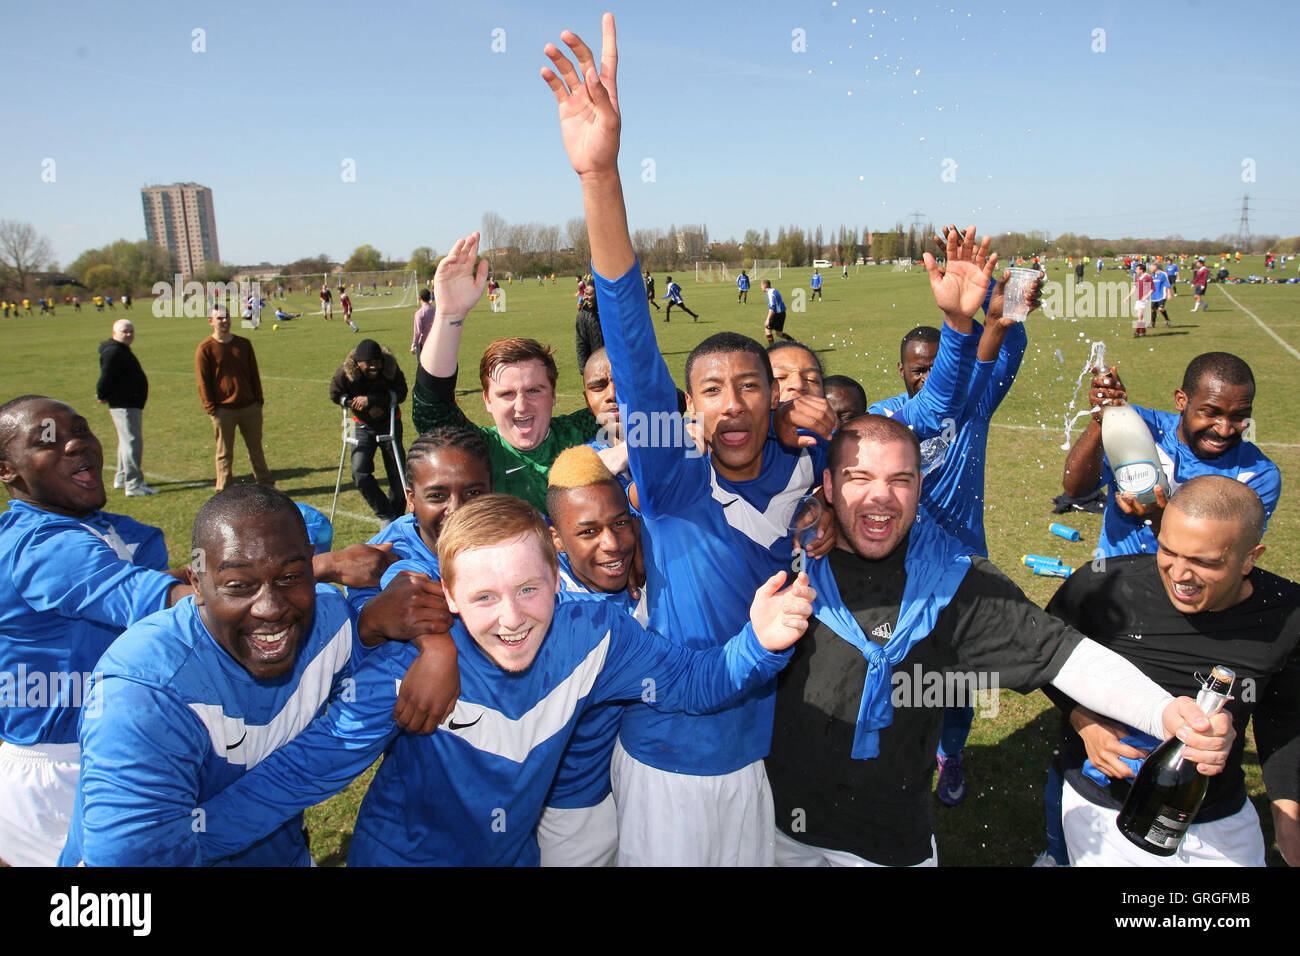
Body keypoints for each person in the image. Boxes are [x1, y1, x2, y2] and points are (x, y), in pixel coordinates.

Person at [539, 16, 996, 864]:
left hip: (767, 762)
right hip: (668, 763)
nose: (735, 403)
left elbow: (920, 423)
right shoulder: (669, 475)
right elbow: (632, 335)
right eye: (711, 390)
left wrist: (959, 330)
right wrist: (601, 174)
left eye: (753, 384)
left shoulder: (809, 467)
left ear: (778, 395)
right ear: (688, 408)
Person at [190, 493, 814, 866]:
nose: (512, 619)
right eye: (484, 596)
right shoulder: (404, 676)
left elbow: (694, 682)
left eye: (528, 589)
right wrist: (166, 847)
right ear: (450, 598)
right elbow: (295, 777)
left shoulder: (597, 634)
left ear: (557, 576)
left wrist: (757, 643)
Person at [765, 415, 1237, 867]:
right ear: (827, 486)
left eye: (901, 480)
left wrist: (1166, 713)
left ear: (920, 488)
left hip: (885, 842)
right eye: (859, 477)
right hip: (775, 825)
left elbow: (1063, 655)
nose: (881, 496)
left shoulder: (955, 584)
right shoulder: (782, 557)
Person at [58, 484, 457, 866]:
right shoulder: (143, 697)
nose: (270, 607)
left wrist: (431, 644)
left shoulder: (328, 624)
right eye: (238, 585)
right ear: (196, 583)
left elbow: (398, 582)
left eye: (289, 577)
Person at [1044, 477, 1299, 867]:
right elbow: (1045, 659)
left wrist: (1287, 814)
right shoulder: (1103, 585)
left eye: (1204, 561)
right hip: (1108, 805)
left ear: (1251, 557)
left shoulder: (1288, 614)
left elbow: (1284, 716)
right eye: (1168, 550)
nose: (1179, 574)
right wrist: (1084, 721)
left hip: (1218, 813)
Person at [0, 396, 188, 866]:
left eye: (81, 430)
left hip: (123, 744)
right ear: (8, 471)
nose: (75, 444)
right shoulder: (39, 545)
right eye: (48, 440)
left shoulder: (112, 530)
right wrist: (317, 569)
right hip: (61, 768)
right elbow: (157, 603)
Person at [871, 282, 1031, 804]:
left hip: (962, 568)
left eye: (942, 363)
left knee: (960, 675)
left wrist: (999, 306)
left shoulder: (974, 405)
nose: (933, 375)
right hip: (897, 572)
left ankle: (952, 752)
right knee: (896, 668)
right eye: (919, 368)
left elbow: (1009, 346)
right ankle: (893, 751)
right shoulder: (885, 419)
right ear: (902, 371)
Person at [411, 232, 599, 514]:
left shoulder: (581, 432)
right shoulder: (480, 452)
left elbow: (650, 407)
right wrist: (449, 315)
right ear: (487, 401)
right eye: (506, 394)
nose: (521, 405)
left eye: (534, 390)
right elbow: (431, 410)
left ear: (554, 395)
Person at [1062, 351, 1280, 559]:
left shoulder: (1258, 475)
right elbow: (1076, 489)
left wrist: (1158, 520)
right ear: (1181, 400)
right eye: (1210, 413)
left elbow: (1224, 558)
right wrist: (1101, 420)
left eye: (1239, 416)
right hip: (1119, 578)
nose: (1224, 429)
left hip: (1189, 593)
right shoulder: (1136, 427)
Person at [538, 446, 645, 866]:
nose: (612, 543)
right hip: (574, 804)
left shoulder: (641, 571)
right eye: (588, 532)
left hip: (641, 785)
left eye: (620, 523)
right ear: (557, 538)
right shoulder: (548, 612)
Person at [328, 338, 409, 525]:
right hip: (360, 424)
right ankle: (386, 513)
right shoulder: (345, 373)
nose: (375, 367)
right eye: (370, 364)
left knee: (397, 472)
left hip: (389, 422)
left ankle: (396, 515)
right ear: (358, 364)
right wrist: (356, 404)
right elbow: (335, 394)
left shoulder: (390, 367)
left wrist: (373, 400)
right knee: (359, 472)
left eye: (377, 362)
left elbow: (402, 392)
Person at [195, 306, 274, 492]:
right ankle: (223, 490)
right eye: (220, 318)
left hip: (249, 407)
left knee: (256, 450)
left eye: (227, 317)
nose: (224, 321)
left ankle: (266, 485)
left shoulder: (244, 344)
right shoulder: (205, 348)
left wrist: (258, 401)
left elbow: (254, 374)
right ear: (211, 321)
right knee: (224, 453)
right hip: (223, 410)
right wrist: (211, 409)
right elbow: (203, 382)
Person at [96, 319, 157, 497]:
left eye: (131, 331)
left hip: (128, 403)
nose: (129, 334)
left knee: (125, 442)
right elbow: (106, 376)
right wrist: (101, 394)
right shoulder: (113, 352)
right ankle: (133, 484)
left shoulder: (119, 350)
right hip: (125, 404)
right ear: (115, 332)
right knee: (132, 442)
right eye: (125, 331)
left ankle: (122, 477)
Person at [574, 277, 603, 373]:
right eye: (585, 293)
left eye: (589, 294)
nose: (585, 297)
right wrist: (584, 370)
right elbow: (581, 344)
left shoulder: (610, 314)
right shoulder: (583, 316)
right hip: (595, 369)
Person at [761, 278, 793, 344]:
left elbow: (772, 308)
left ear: (764, 286)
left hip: (776, 314)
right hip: (782, 314)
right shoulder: (775, 290)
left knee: (767, 331)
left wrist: (768, 319)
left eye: (761, 286)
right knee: (779, 334)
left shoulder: (770, 293)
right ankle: (795, 342)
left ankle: (772, 348)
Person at [411, 288, 435, 355]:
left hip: (423, 342)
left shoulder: (419, 313)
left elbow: (417, 332)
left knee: (422, 365)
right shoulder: (436, 311)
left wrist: (413, 345)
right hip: (435, 341)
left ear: (420, 298)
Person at [1151, 262, 1172, 327]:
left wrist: (1169, 294)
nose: (1150, 268)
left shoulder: (1163, 274)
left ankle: (1167, 320)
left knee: (1160, 308)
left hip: (1162, 295)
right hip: (1153, 295)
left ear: (1156, 267)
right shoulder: (1151, 275)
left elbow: (1167, 284)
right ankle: (1152, 323)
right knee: (1152, 310)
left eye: (1151, 267)